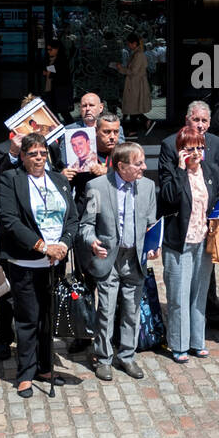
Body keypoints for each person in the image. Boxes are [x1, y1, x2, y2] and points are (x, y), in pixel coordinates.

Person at [0, 132, 78, 398]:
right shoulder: (12, 179)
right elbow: (9, 221)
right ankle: (25, 373)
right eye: (33, 154)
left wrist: (63, 244)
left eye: (43, 153)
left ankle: (45, 366)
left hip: (55, 262)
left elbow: (73, 218)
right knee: (28, 318)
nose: (39, 158)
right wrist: (42, 246)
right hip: (25, 261)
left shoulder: (58, 180)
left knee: (48, 317)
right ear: (23, 157)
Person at [78, 141, 159, 380]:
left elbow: (151, 224)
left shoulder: (147, 187)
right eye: (138, 163)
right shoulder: (97, 186)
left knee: (131, 310)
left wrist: (154, 246)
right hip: (109, 258)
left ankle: (127, 356)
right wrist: (92, 242)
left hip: (134, 258)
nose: (144, 167)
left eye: (143, 161)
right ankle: (103, 358)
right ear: (121, 166)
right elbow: (86, 225)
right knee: (106, 310)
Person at [158, 100, 219, 333]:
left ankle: (208, 316)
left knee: (205, 277)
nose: (200, 125)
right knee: (182, 279)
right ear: (186, 120)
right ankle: (183, 329)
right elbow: (169, 188)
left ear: (210, 123)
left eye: (204, 121)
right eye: (196, 120)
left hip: (208, 219)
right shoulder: (171, 144)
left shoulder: (216, 143)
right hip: (182, 222)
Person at [160, 125, 219, 363]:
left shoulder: (210, 170)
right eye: (190, 148)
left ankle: (197, 341)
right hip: (179, 242)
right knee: (178, 295)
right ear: (180, 151)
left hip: (203, 239)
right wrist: (179, 169)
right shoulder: (173, 170)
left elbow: (215, 197)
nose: (196, 153)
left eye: (200, 147)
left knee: (199, 293)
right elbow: (169, 198)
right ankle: (178, 343)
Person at [111, 33, 152, 135]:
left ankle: (139, 125)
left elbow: (133, 71)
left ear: (134, 43)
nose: (128, 45)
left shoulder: (138, 54)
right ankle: (141, 124)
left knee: (133, 105)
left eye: (129, 43)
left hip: (136, 84)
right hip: (135, 83)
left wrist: (120, 68)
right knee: (134, 106)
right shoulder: (136, 53)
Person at [41, 38, 74, 123]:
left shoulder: (61, 60)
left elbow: (57, 73)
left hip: (60, 90)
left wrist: (48, 73)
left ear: (57, 49)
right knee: (54, 110)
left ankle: (68, 126)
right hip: (53, 90)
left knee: (63, 111)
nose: (49, 51)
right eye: (48, 49)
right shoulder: (50, 59)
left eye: (51, 49)